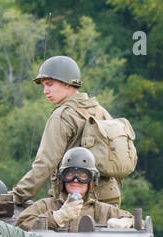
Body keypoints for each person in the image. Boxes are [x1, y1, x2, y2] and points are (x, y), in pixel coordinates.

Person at [7, 56, 123, 207]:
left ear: (67, 83)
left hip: (76, 199)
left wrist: (16, 196)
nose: (45, 91)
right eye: (43, 86)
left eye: (49, 84)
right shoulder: (99, 110)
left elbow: (45, 164)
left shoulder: (62, 115)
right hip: (110, 198)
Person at [15, 148, 133, 230]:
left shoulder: (102, 211)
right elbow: (20, 226)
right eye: (70, 174)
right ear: (62, 179)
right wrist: (56, 217)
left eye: (83, 176)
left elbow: (138, 223)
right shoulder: (45, 206)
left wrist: (125, 223)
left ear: (91, 181)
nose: (76, 180)